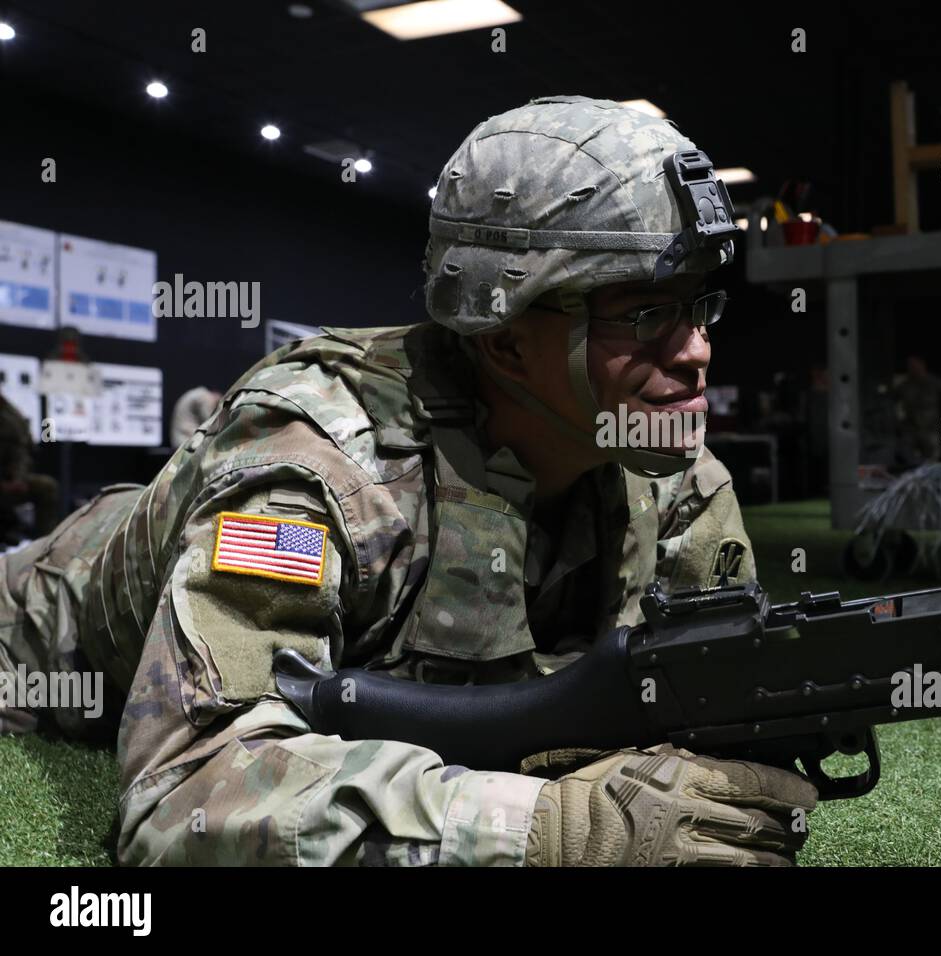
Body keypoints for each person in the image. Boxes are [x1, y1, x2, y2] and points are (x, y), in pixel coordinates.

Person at [0, 96, 817, 866]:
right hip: (39, 627)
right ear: (503, 344)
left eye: (699, 307)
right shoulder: (315, 465)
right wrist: (559, 828)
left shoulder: (669, 468)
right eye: (644, 316)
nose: (696, 352)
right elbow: (188, 795)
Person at [0, 390, 59, 543]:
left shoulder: (9, 413)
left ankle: (44, 545)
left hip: (8, 480)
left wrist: (18, 479)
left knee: (46, 487)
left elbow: (21, 450)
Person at [893, 355, 941, 464]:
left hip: (931, 426)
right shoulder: (905, 385)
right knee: (906, 452)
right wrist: (899, 421)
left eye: (915, 365)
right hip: (911, 426)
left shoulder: (935, 383)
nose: (912, 368)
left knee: (932, 455)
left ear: (922, 365)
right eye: (910, 366)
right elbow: (892, 402)